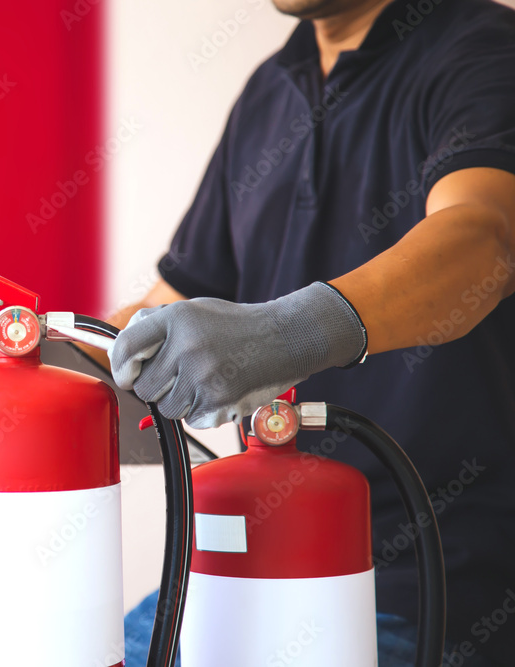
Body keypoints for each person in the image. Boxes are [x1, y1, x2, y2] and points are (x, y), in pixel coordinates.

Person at [104, 0, 515, 665]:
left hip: (433, 582)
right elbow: (166, 305)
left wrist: (290, 331)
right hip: (251, 556)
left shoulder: (481, 46)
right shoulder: (272, 87)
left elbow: (484, 237)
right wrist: (41, 355)